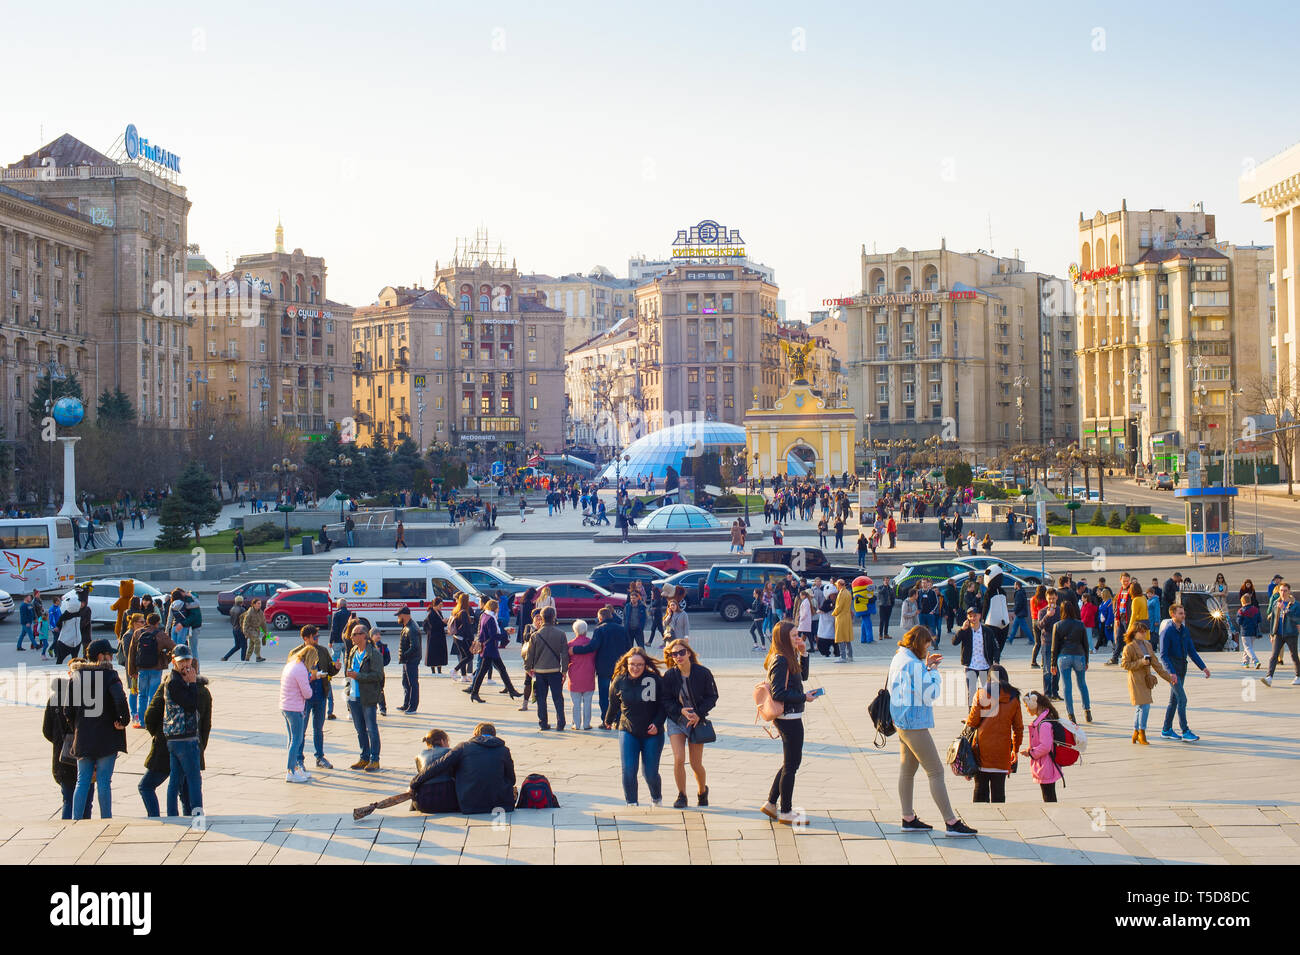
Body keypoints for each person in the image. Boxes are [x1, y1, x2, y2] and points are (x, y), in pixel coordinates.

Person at [888, 625, 977, 836]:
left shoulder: (900, 657)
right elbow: (931, 693)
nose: (928, 648)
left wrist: (925, 668)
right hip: (915, 722)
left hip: (901, 720)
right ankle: (951, 822)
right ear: (919, 643)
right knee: (936, 771)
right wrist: (934, 673)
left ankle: (907, 818)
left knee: (907, 770)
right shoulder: (913, 665)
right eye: (927, 644)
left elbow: (912, 684)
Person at [758, 621, 817, 825]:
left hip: (791, 717)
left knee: (789, 763)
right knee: (792, 765)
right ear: (783, 638)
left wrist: (804, 652)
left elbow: (804, 676)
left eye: (797, 634)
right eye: (793, 636)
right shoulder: (780, 660)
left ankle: (771, 803)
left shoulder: (788, 656)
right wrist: (803, 697)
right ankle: (786, 811)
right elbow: (779, 692)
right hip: (788, 718)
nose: (798, 638)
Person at [65, 639, 130, 819]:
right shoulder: (109, 675)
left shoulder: (77, 676)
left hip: (84, 738)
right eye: (110, 655)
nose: (112, 658)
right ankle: (105, 819)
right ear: (101, 656)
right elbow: (120, 699)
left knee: (82, 781)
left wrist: (78, 726)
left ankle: (76, 819)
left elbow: (67, 710)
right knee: (103, 782)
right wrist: (123, 720)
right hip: (106, 737)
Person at [142, 645, 207, 816]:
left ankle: (173, 815)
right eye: (181, 661)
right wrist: (192, 683)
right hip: (184, 738)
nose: (186, 664)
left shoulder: (175, 680)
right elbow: (190, 705)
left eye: (188, 660)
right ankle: (197, 815)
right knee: (193, 780)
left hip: (175, 738)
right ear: (173, 662)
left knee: (176, 780)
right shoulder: (174, 682)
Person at [409, 722, 515, 815]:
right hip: (502, 805)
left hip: (471, 805)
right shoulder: (504, 750)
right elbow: (512, 779)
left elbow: (438, 765)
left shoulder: (464, 747)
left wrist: (414, 782)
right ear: (494, 735)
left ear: (475, 735)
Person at [606, 646, 667, 807]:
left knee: (650, 773)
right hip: (628, 730)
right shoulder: (619, 680)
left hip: (652, 732)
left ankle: (656, 798)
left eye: (639, 664)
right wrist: (608, 719)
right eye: (632, 664)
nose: (635, 668)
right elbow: (613, 703)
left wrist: (658, 723)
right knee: (629, 770)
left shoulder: (654, 680)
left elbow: (664, 705)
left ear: (645, 664)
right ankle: (631, 803)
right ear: (626, 663)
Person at [662, 637, 718, 808]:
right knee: (679, 758)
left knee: (695, 764)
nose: (678, 656)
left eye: (681, 652)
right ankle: (682, 795)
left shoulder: (703, 673)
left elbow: (712, 696)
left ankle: (702, 790)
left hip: (696, 721)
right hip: (676, 720)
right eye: (674, 654)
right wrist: (680, 710)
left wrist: (698, 714)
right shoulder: (670, 675)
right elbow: (664, 699)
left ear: (688, 653)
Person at [965, 664, 1023, 803]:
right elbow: (1018, 728)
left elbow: (972, 722)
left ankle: (980, 819)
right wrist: (1015, 750)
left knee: (980, 789)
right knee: (999, 791)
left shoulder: (981, 694)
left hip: (981, 748)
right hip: (1002, 751)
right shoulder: (1014, 698)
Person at [43, 662, 92, 818]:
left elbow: (46, 730)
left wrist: (63, 743)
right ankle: (85, 829)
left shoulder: (54, 698)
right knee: (85, 800)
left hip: (63, 756)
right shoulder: (91, 698)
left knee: (68, 800)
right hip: (86, 753)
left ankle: (68, 830)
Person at [1157, 603, 1210, 739]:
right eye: (1180, 613)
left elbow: (1191, 650)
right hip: (1172, 671)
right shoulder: (1167, 631)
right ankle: (1185, 730)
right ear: (1173, 615)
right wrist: (1171, 672)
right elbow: (1163, 655)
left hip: (1182, 668)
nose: (1183, 615)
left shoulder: (1184, 630)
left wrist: (1203, 667)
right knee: (1182, 699)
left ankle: (1166, 729)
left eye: (1184, 613)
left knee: (1174, 700)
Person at [573, 605, 632, 729]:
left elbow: (592, 647)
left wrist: (575, 649)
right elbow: (629, 648)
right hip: (620, 668)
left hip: (603, 668)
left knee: (604, 696)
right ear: (611, 615)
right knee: (620, 695)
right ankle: (619, 720)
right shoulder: (622, 629)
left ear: (600, 618)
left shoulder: (599, 630)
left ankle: (606, 721)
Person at [1121, 620, 1174, 744]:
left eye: (1145, 631)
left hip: (1146, 679)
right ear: (1134, 633)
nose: (1144, 634)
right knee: (1145, 706)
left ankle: (1136, 732)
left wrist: (1168, 677)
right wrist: (1141, 662)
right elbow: (1124, 664)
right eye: (1141, 632)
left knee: (1140, 706)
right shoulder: (1129, 647)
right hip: (1136, 680)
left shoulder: (1147, 645)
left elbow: (1156, 663)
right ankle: (1142, 732)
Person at [294, 625, 337, 769]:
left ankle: (320, 757)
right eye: (315, 637)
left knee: (318, 729)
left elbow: (330, 670)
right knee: (301, 730)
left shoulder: (323, 651)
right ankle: (299, 759)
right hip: (303, 699)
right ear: (306, 638)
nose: (317, 639)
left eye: (318, 636)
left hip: (320, 695)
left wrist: (335, 668)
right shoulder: (297, 653)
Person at [523, 606, 570, 731]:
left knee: (541, 699)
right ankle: (561, 723)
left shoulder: (535, 635)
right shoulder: (561, 634)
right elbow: (565, 654)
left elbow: (529, 654)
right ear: (553, 617)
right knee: (558, 698)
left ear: (542, 618)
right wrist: (564, 671)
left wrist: (528, 668)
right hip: (555, 670)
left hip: (539, 671)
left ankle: (543, 723)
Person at [344, 621, 384, 770]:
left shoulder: (373, 654)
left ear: (364, 636)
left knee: (371, 729)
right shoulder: (354, 650)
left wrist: (359, 676)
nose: (352, 637)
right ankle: (363, 757)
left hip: (368, 696)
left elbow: (378, 675)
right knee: (360, 729)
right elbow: (350, 670)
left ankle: (375, 759)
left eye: (354, 634)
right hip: (354, 695)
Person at [466, 598, 521, 702]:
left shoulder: (484, 615)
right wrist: (506, 634)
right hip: (490, 649)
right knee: (486, 671)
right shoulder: (491, 618)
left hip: (487, 648)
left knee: (497, 670)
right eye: (498, 607)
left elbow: (485, 633)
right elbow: (494, 635)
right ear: (495, 608)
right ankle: (474, 693)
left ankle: (511, 690)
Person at [1050, 600, 1092, 723]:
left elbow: (1054, 647)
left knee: (1067, 686)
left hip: (1064, 656)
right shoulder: (1080, 624)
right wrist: (1087, 661)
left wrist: (1053, 664)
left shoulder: (1057, 625)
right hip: (1079, 655)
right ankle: (1087, 711)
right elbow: (1085, 644)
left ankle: (1071, 715)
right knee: (1082, 684)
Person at [952, 607, 1001, 706]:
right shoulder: (965, 630)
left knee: (986, 693)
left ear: (979, 616)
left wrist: (996, 661)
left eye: (975, 616)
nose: (973, 618)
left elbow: (996, 647)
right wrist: (961, 629)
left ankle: (985, 718)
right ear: (967, 617)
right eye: (970, 616)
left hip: (984, 666)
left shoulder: (987, 631)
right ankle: (972, 717)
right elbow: (954, 642)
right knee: (972, 693)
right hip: (971, 666)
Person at [281, 643, 315, 784]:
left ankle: (294, 767)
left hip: (285, 705)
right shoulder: (301, 669)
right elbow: (307, 693)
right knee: (297, 739)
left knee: (292, 739)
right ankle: (291, 771)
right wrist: (311, 679)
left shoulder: (292, 664)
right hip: (295, 708)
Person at [1021, 690, 1062, 802]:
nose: (1027, 709)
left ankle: (1053, 816)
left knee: (1048, 797)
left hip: (1045, 765)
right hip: (1046, 763)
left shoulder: (1044, 724)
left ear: (1034, 704)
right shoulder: (1045, 720)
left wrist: (1030, 752)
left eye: (1026, 706)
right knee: (1049, 794)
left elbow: (1045, 746)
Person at [1261, 581, 1300, 688]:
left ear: (1289, 592)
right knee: (1274, 656)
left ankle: (1298, 676)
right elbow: (1273, 620)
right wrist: (1272, 633)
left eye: (1285, 591)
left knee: (1294, 655)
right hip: (1278, 634)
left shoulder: (1295, 605)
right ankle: (1269, 678)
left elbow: (1296, 619)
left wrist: (1285, 610)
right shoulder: (1275, 603)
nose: (1283, 593)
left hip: (1291, 633)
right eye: (1281, 590)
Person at [410, 729, 458, 813]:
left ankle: (412, 809)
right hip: (448, 801)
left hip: (423, 804)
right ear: (442, 741)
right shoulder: (450, 752)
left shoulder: (419, 755)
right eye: (448, 741)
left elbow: (420, 777)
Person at [567, 619, 597, 730]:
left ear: (575, 631)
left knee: (575, 702)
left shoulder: (570, 644)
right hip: (589, 674)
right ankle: (586, 724)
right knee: (588, 701)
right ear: (586, 631)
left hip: (574, 676)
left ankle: (576, 724)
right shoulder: (591, 643)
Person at [394, 606, 421, 714]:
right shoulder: (407, 626)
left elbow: (415, 646)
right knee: (405, 682)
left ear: (405, 615)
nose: (398, 618)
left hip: (411, 660)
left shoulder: (411, 628)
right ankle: (406, 704)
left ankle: (413, 707)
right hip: (407, 660)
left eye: (399, 615)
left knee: (412, 684)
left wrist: (405, 655)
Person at [449, 594, 476, 682]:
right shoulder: (464, 612)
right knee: (469, 656)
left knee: (463, 656)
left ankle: (463, 676)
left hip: (456, 637)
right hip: (462, 638)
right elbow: (466, 627)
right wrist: (472, 639)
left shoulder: (456, 609)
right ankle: (455, 670)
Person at [423, 599, 448, 676]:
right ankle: (433, 671)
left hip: (440, 635)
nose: (441, 606)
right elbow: (433, 626)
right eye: (440, 605)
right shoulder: (431, 614)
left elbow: (441, 624)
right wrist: (442, 622)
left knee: (440, 653)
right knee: (433, 653)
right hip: (433, 637)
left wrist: (445, 622)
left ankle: (439, 670)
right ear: (435, 605)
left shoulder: (439, 612)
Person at [832, 577, 853, 663]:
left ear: (840, 585)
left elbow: (839, 607)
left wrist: (834, 613)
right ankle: (850, 656)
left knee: (840, 637)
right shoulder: (848, 592)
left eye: (837, 585)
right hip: (847, 617)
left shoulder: (841, 593)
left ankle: (843, 657)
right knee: (847, 637)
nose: (836, 586)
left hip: (841, 617)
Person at [242, 597, 267, 662]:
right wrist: (245, 633)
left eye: (260, 603)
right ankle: (258, 657)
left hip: (256, 630)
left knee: (251, 645)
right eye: (258, 603)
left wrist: (265, 632)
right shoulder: (250, 612)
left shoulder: (260, 612)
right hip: (250, 630)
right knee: (257, 641)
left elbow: (263, 623)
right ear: (254, 604)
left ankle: (247, 658)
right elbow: (245, 623)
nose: (260, 605)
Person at [223, 595, 248, 661]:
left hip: (234, 629)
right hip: (241, 630)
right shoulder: (242, 610)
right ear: (241, 602)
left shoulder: (232, 609)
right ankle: (243, 661)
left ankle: (225, 657)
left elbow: (231, 620)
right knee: (244, 646)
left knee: (237, 646)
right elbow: (245, 621)